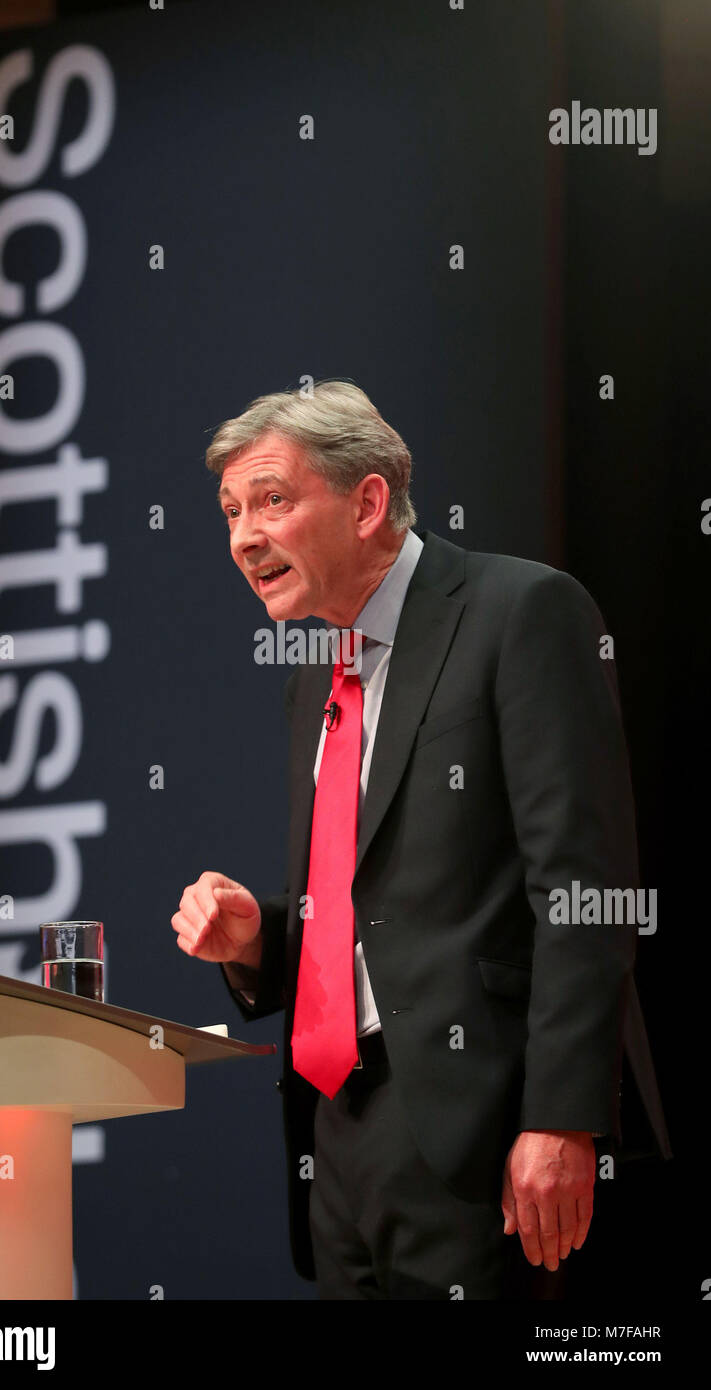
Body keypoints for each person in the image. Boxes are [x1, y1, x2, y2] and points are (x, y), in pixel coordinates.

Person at [171, 380, 670, 1299]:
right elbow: (373, 909)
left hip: (485, 1127)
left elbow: (583, 889)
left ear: (366, 502)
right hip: (336, 1132)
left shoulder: (518, 611)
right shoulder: (312, 675)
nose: (244, 536)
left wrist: (560, 1120)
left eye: (273, 500)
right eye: (232, 511)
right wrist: (257, 939)